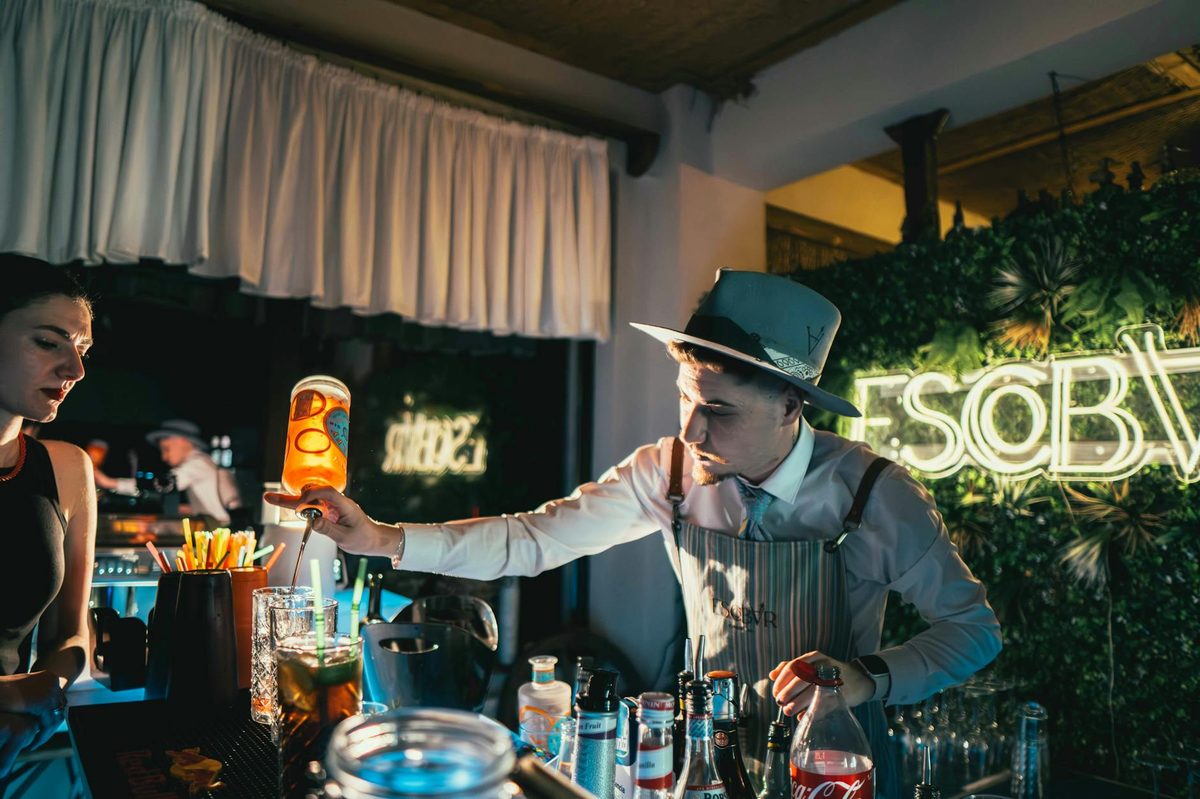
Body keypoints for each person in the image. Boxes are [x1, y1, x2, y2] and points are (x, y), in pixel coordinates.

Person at [268, 269, 1002, 796]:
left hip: (834, 772)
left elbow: (973, 631)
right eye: (686, 398)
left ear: (789, 404)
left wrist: (868, 675)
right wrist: (384, 538)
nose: (690, 427)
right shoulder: (671, 471)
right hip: (702, 762)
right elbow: (534, 538)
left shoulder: (876, 494)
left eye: (718, 409)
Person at [0, 254, 97, 778]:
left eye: (81, 350)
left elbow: (70, 636)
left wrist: (48, 687)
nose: (75, 370)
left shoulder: (65, 468)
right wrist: (21, 696)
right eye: (47, 342)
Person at [145, 420, 242, 526]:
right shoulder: (203, 462)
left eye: (166, 449)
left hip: (219, 529)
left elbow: (165, 484)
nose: (164, 457)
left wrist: (125, 485)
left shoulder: (197, 464)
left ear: (183, 441)